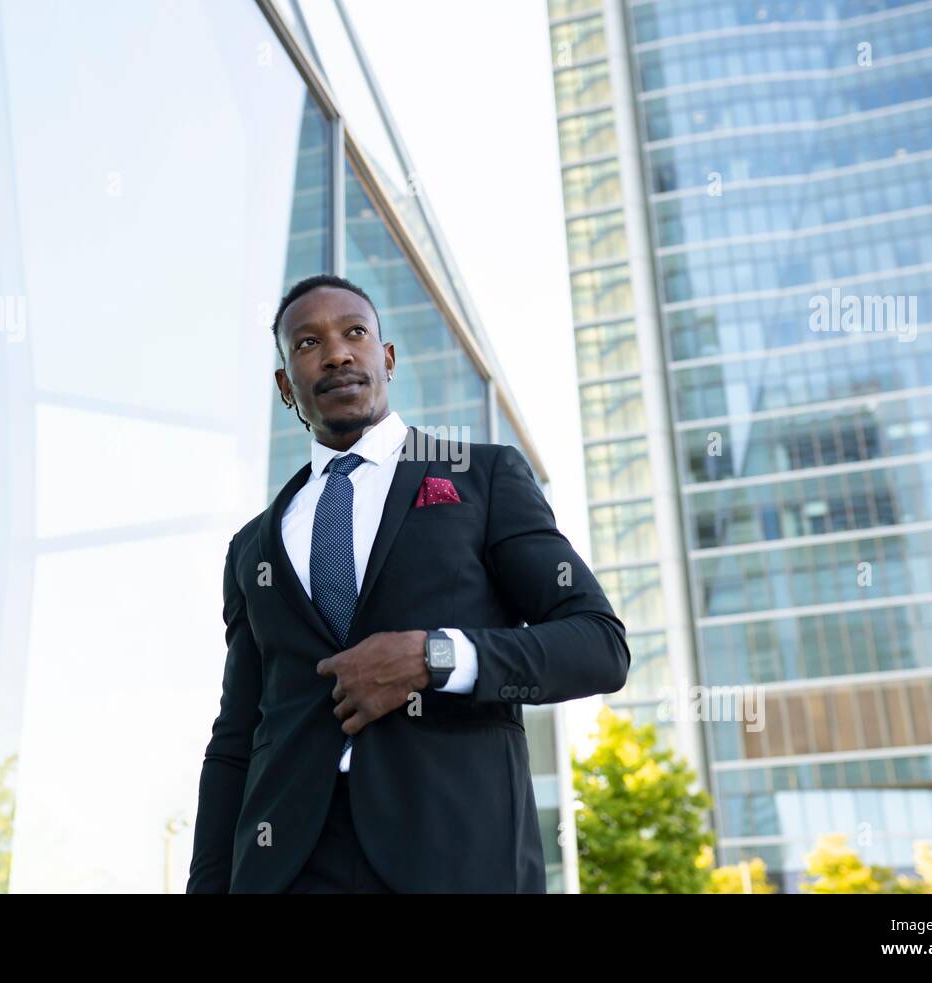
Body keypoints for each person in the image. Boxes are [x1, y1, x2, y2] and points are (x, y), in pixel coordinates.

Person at [186, 274, 631, 893]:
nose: (337, 352)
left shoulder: (484, 477)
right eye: (308, 343)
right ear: (286, 386)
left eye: (355, 333)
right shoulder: (252, 546)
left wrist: (433, 658)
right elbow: (236, 738)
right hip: (286, 868)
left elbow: (599, 647)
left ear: (387, 358)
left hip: (454, 854)